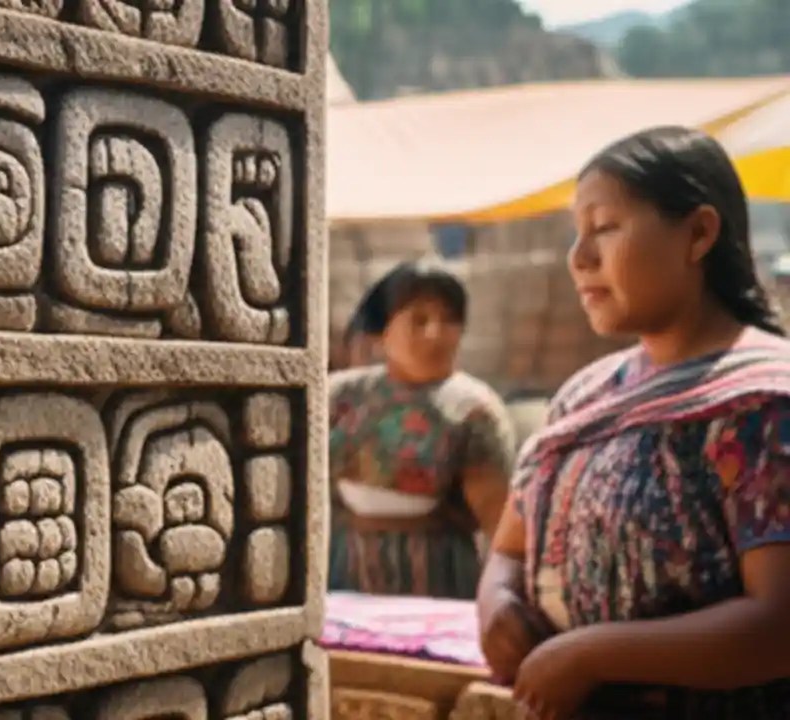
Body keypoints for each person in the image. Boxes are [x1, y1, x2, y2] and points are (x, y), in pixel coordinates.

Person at [476, 125, 790, 720]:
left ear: (698, 234)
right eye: (577, 233)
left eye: (605, 228)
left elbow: (779, 624)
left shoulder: (764, 407)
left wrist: (590, 658)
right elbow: (509, 550)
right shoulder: (584, 397)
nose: (579, 258)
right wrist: (498, 604)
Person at [328, 259, 516, 599]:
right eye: (419, 320)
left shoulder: (474, 411)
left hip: (435, 579)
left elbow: (499, 524)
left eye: (450, 320)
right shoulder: (338, 396)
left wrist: (504, 596)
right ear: (383, 330)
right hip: (342, 571)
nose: (435, 333)